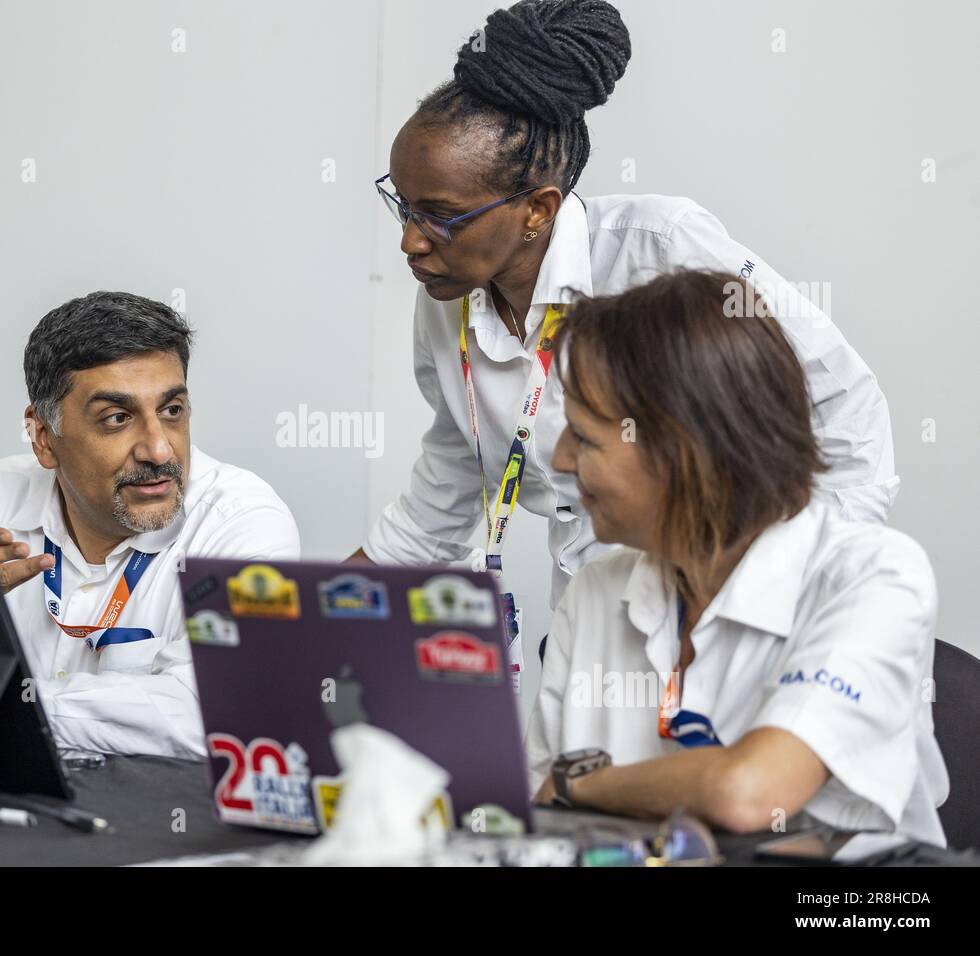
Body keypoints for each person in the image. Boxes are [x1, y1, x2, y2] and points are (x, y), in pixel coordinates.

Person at [351, 0, 898, 625]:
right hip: (594, 622)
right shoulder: (446, 302)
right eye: (404, 206)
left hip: (729, 615)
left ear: (538, 210)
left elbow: (842, 402)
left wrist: (787, 581)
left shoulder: (664, 250)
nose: (411, 241)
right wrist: (321, 607)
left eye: (441, 216)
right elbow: (455, 469)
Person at [524, 270, 946, 845]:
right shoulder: (594, 592)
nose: (562, 460)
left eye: (585, 438)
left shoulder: (872, 577)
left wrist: (584, 785)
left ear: (684, 450)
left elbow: (749, 794)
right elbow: (536, 824)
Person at [0, 291, 300, 759]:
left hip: (160, 821)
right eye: (117, 419)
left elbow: (216, 709)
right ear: (44, 438)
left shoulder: (241, 521)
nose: (159, 450)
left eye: (172, 411)